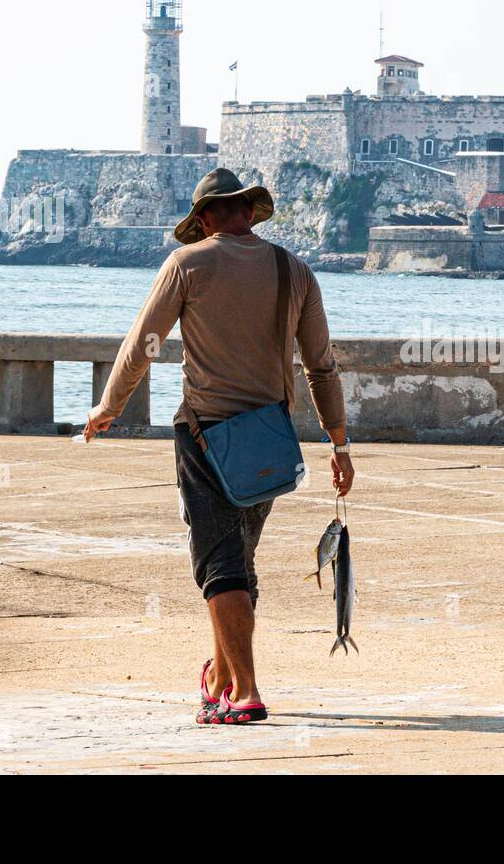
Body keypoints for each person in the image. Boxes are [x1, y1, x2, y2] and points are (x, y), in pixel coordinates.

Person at [83, 167, 353, 725]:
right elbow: (320, 366)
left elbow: (144, 345)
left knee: (219, 564)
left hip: (205, 435)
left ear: (204, 220)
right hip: (271, 440)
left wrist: (109, 407)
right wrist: (339, 442)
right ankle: (222, 677)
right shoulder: (294, 271)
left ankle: (246, 692)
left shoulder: (187, 264)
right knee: (236, 563)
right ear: (250, 212)